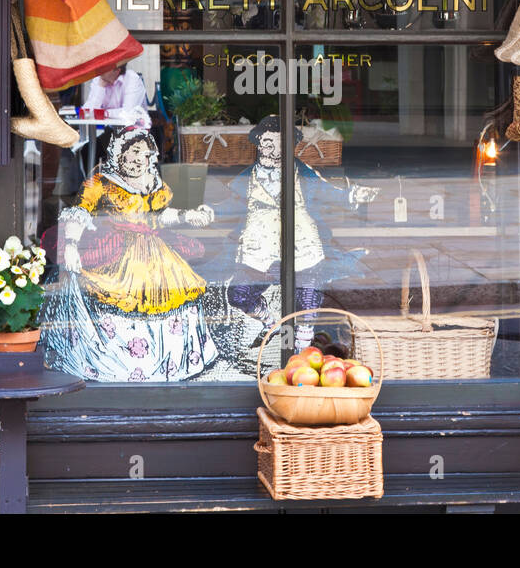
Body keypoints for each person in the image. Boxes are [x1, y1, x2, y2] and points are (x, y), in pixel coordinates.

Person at [40, 127, 218, 382]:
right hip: (112, 250)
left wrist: (187, 216)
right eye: (134, 152)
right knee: (110, 294)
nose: (139, 160)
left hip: (154, 252)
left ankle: (166, 367)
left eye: (145, 155)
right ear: (119, 153)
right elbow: (79, 214)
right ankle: (116, 367)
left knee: (171, 293)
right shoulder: (101, 183)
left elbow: (158, 216)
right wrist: (70, 245)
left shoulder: (152, 183)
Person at [204, 115, 378, 373]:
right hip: (259, 248)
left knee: (307, 297)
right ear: (258, 144)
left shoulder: (302, 172)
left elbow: (330, 193)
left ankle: (302, 354)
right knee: (239, 293)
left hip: (302, 245)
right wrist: (208, 212)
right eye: (267, 142)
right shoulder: (248, 177)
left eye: (278, 143)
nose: (272, 149)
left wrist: (353, 196)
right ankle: (270, 322)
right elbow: (230, 205)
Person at [80, 61, 150, 130]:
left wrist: (104, 113)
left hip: (136, 131)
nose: (100, 69)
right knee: (89, 140)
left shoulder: (132, 79)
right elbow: (87, 112)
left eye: (104, 67)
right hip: (112, 130)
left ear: (117, 71)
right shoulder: (98, 79)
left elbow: (128, 113)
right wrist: (100, 87)